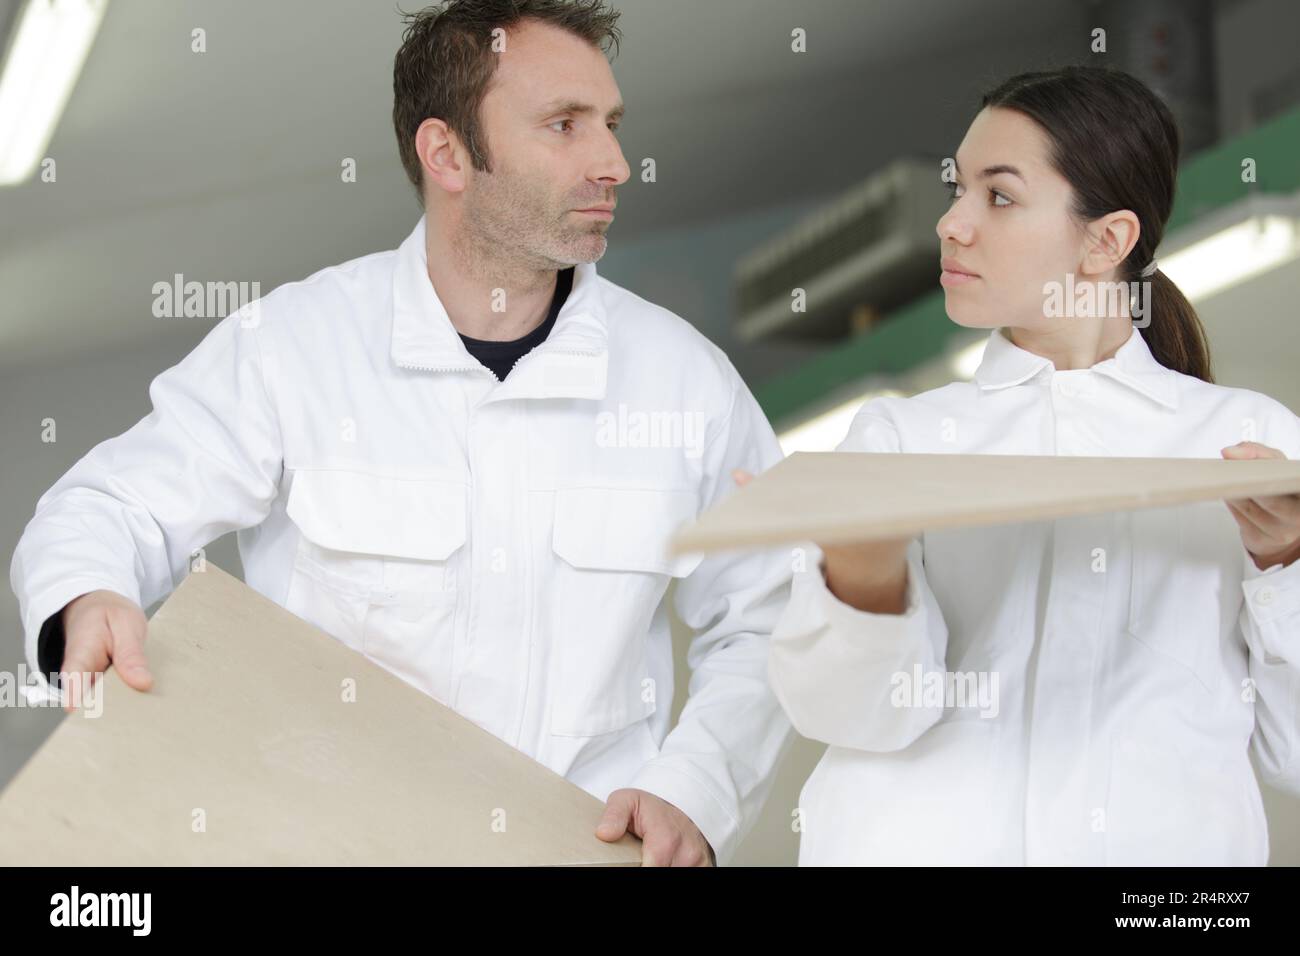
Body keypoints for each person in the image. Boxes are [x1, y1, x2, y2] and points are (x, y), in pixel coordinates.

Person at [9, 0, 794, 867]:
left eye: (610, 125)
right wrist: (89, 594)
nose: (614, 162)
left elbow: (768, 614)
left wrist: (695, 789)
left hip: (580, 853)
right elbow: (108, 506)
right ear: (447, 153)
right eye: (565, 126)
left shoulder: (685, 381)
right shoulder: (295, 350)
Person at [765, 65, 1300, 865]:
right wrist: (866, 583)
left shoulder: (1248, 439)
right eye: (958, 190)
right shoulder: (898, 439)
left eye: (998, 196)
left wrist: (1284, 563)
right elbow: (848, 717)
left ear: (1106, 240)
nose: (951, 224)